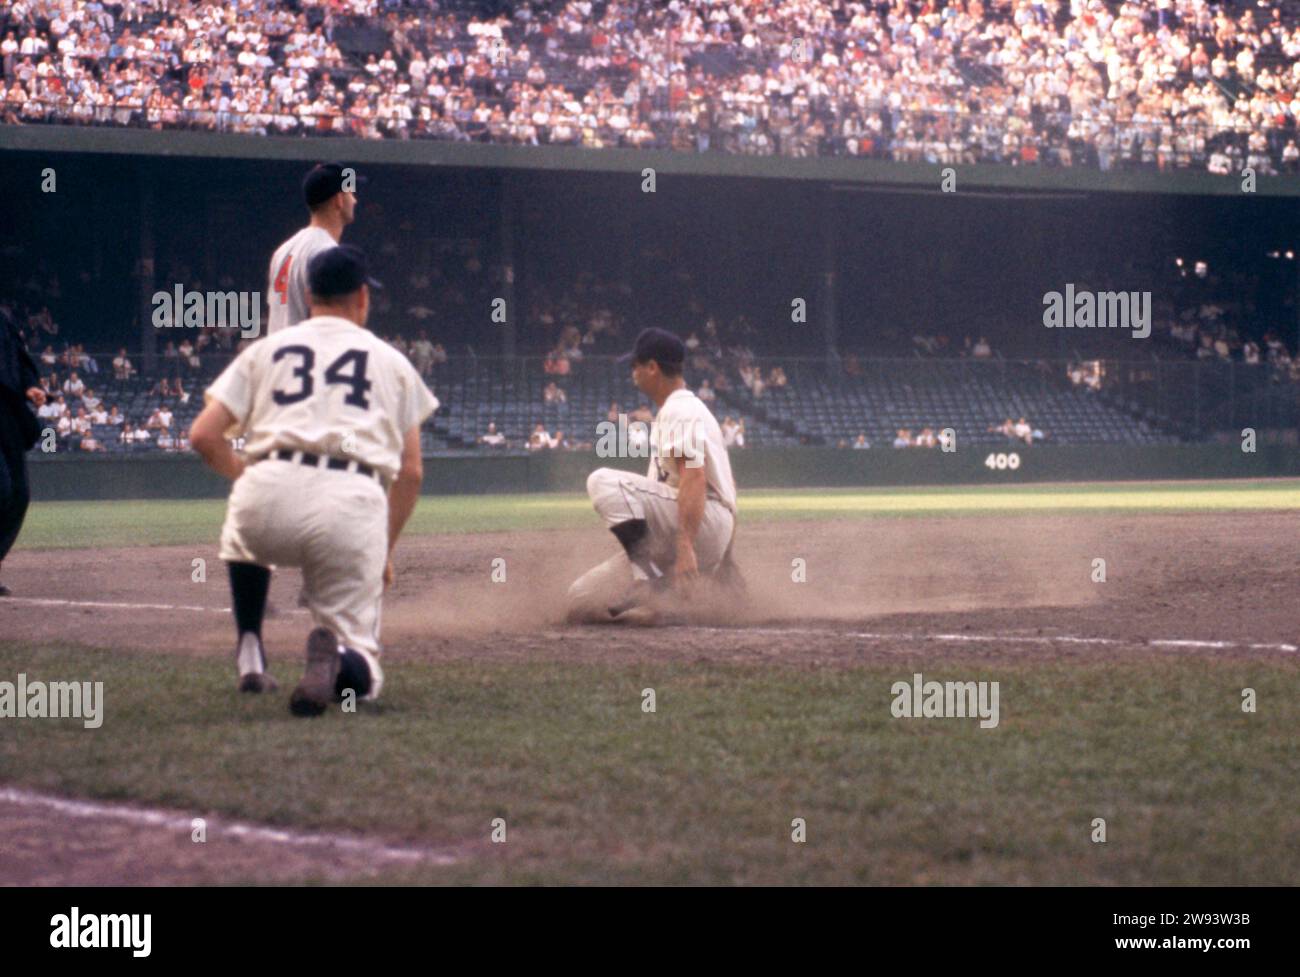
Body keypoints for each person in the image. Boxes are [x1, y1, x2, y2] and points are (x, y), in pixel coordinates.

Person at [190, 246, 437, 716]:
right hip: (351, 502)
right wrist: (383, 550)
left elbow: (203, 436)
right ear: (363, 298)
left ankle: (249, 650)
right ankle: (341, 658)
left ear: (308, 296)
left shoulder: (265, 350)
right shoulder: (391, 362)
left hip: (266, 493)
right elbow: (411, 472)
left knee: (245, 541)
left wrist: (249, 475)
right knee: (361, 669)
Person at [565, 327, 741, 624]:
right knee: (581, 600)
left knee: (603, 481)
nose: (632, 372)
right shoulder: (676, 411)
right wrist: (725, 558)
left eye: (635, 365)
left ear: (652, 367)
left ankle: (649, 580)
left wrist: (687, 547)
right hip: (685, 530)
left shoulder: (682, 410)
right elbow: (730, 487)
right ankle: (663, 596)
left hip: (697, 526)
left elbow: (695, 478)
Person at [265, 162, 363, 336]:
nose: (355, 200)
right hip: (308, 356)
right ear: (338, 200)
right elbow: (328, 325)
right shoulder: (327, 253)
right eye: (350, 193)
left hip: (280, 355)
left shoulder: (283, 250)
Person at [0, 305, 43, 596]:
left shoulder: (3, 317)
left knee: (19, 493)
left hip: (7, 410)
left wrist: (31, 386)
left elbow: (19, 360)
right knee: (1, 488)